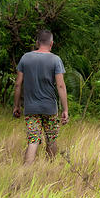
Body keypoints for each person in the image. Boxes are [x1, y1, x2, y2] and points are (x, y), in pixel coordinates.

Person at [13, 29, 68, 164]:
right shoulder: (55, 59)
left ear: (37, 42)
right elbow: (61, 86)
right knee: (51, 139)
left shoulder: (25, 58)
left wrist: (16, 106)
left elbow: (18, 84)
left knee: (33, 140)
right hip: (50, 108)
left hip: (31, 108)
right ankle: (51, 169)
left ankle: (25, 171)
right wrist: (65, 109)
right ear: (51, 43)